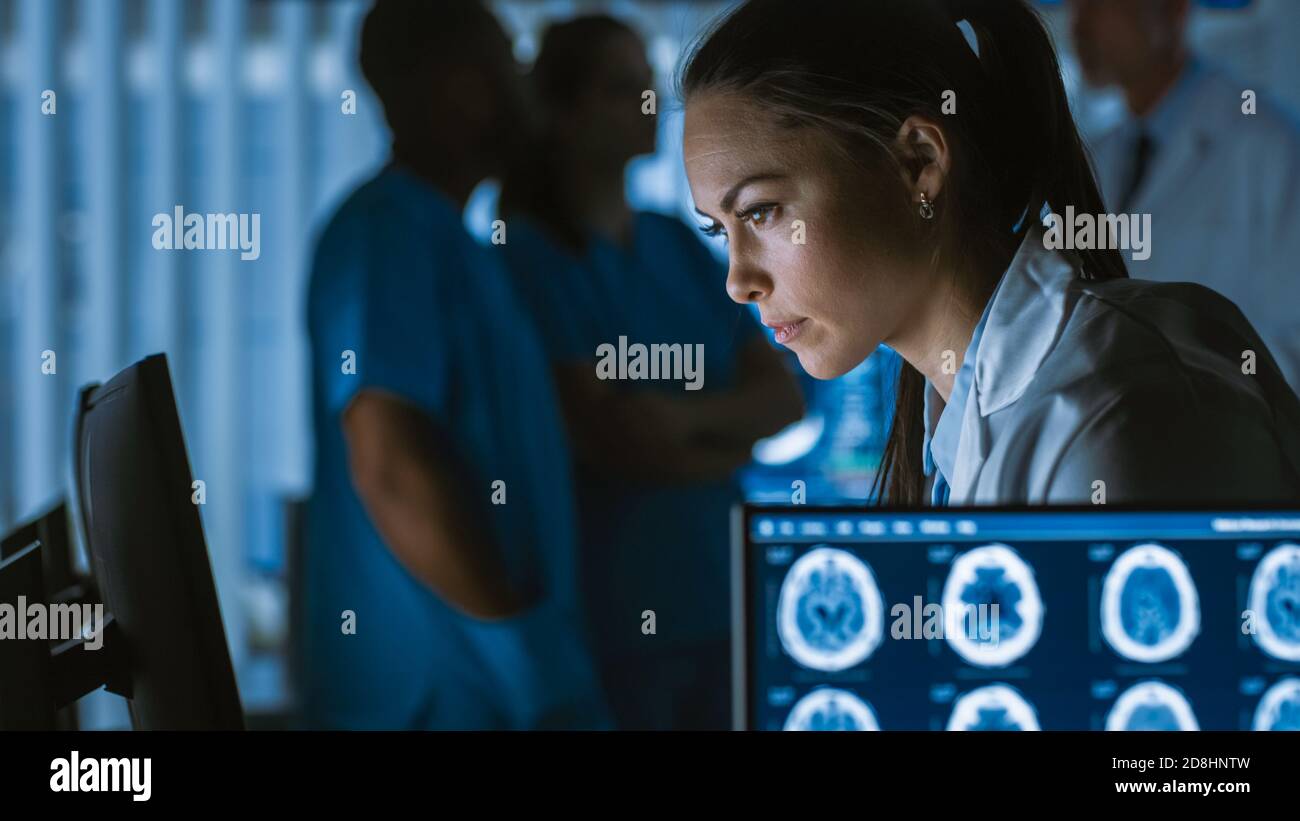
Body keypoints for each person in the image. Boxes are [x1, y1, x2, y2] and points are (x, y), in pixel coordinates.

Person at [679, 0, 1300, 507]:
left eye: (762, 212)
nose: (738, 282)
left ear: (918, 162)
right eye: (717, 228)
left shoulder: (1119, 412)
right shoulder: (946, 422)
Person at [302, 0, 607, 729]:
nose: (528, 82)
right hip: (434, 698)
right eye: (510, 58)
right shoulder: (388, 236)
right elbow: (390, 463)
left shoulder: (457, 244)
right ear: (465, 88)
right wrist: (530, 661)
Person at [497, 15, 804, 729]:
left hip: (723, 607)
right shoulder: (528, 260)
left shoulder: (674, 240)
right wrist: (729, 444)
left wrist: (683, 421)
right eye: (620, 89)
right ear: (564, 114)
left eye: (647, 86)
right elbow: (618, 442)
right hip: (613, 622)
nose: (647, 106)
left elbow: (785, 399)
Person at [1069, 0, 1300, 391]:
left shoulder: (1266, 145)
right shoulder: (1099, 156)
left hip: (1228, 438)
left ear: (1173, 11)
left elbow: (1290, 347)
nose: (1080, 24)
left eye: (1099, 3)